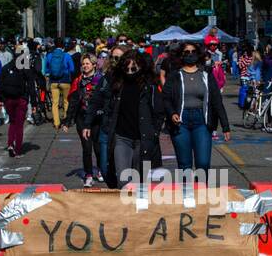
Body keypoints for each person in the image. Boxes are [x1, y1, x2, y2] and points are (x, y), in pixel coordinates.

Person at [88, 49, 162, 189]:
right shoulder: (117, 83)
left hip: (142, 138)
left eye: (133, 68)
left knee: (139, 181)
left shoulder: (149, 85)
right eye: (126, 68)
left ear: (140, 67)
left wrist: (154, 131)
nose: (129, 71)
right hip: (122, 137)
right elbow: (104, 102)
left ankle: (137, 208)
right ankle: (124, 206)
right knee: (123, 181)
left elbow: (158, 111)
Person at [162, 41, 232, 176]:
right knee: (184, 165)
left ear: (198, 54)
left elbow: (217, 101)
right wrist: (172, 113)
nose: (190, 55)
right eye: (186, 52)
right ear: (181, 55)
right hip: (180, 123)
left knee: (203, 163)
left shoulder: (206, 75)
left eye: (193, 52)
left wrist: (225, 126)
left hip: (202, 122)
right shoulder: (175, 75)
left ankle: (201, 192)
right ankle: (186, 194)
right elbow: (166, 98)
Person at [67, 53, 105, 186]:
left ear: (94, 65)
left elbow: (108, 99)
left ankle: (100, 170)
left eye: (87, 63)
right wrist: (67, 120)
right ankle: (88, 175)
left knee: (99, 148)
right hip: (82, 119)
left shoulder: (101, 79)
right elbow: (72, 100)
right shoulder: (78, 81)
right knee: (86, 148)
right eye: (83, 64)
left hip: (97, 118)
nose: (85, 66)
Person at [0, 47, 31, 158]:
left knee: (12, 122)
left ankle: (10, 144)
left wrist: (2, 99)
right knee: (19, 125)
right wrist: (33, 102)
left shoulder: (6, 67)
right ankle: (18, 149)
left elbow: (0, 85)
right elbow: (30, 85)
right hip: (21, 99)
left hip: (8, 99)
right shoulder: (24, 67)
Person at [43, 40, 74, 130]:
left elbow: (46, 70)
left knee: (55, 103)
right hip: (65, 81)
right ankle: (65, 120)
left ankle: (56, 123)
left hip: (54, 82)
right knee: (66, 101)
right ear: (63, 46)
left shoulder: (49, 55)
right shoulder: (67, 56)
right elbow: (72, 69)